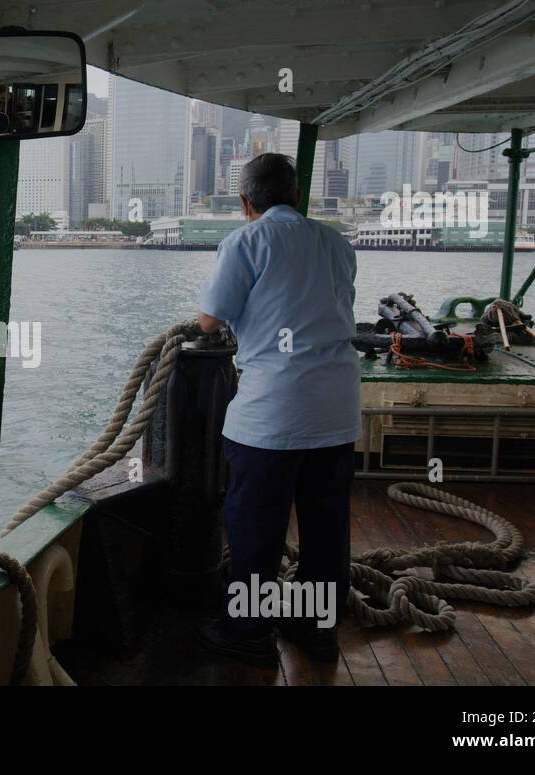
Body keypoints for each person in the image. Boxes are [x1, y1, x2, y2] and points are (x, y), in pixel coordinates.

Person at [194, 153, 360, 668]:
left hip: (272, 415)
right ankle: (317, 630)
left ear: (246, 202)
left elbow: (207, 321)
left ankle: (246, 632)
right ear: (295, 196)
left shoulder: (246, 240)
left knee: (254, 529)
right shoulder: (335, 241)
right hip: (335, 412)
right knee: (325, 529)